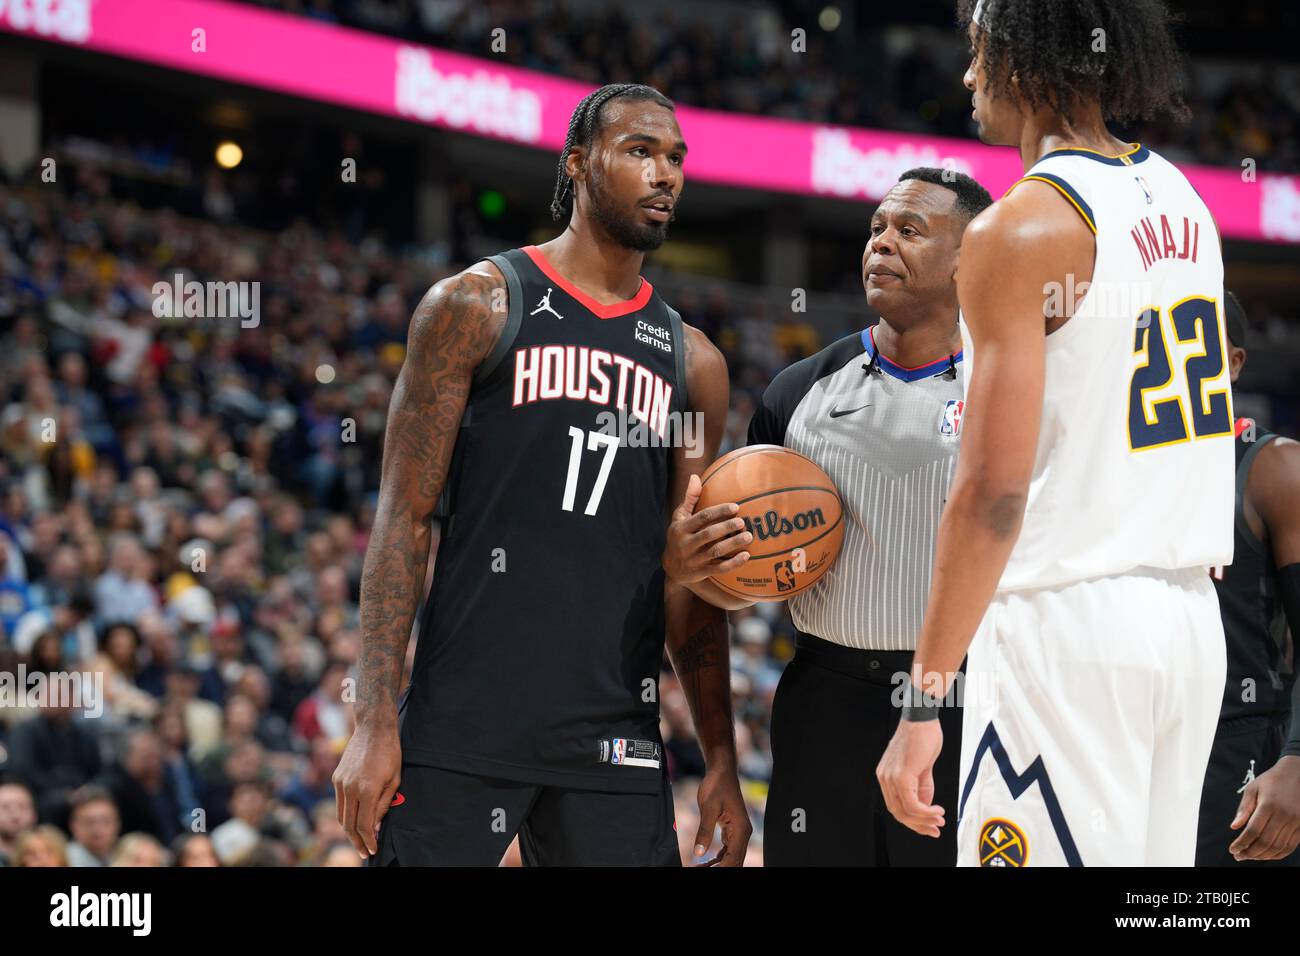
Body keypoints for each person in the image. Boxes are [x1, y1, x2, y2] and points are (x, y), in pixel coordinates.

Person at [333, 83, 751, 866]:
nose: (665, 174)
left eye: (676, 158)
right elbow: (401, 519)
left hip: (613, 738)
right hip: (462, 724)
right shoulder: (474, 307)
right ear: (577, 163)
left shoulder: (694, 364)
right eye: (640, 152)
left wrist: (721, 759)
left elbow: (687, 583)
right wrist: (374, 720)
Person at [877, 0, 1234, 866]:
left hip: (1069, 624)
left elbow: (993, 495)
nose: (967, 75)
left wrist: (924, 700)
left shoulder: (1019, 228)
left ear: (1020, 54)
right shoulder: (1185, 199)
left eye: (976, 50)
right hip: (1188, 625)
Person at [664, 168, 992, 865]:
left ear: (971, 258)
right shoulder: (798, 389)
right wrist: (695, 563)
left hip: (969, 700)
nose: (881, 243)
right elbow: (734, 580)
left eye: (910, 230)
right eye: (876, 228)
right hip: (825, 697)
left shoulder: (1009, 391)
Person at [1197, 291, 1300, 865]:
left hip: (1242, 744)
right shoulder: (1112, 474)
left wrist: (1299, 759)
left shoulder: (1273, 466)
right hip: (1138, 738)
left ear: (1234, 362)